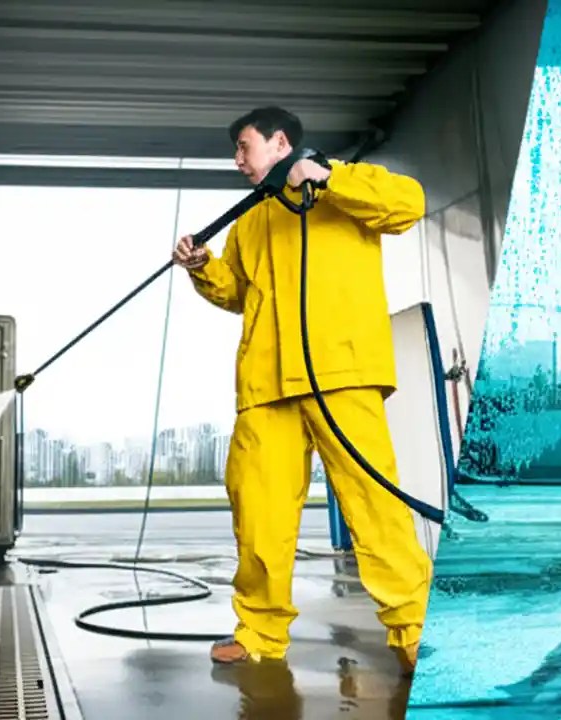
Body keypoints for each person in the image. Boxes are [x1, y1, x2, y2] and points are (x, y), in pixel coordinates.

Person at [171, 105, 431, 675]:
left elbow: (409, 203)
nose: (237, 161)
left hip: (340, 373)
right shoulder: (252, 219)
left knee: (374, 506)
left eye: (243, 147)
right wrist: (201, 266)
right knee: (257, 510)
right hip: (267, 383)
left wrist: (331, 179)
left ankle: (414, 628)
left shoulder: (344, 185)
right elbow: (235, 291)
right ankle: (259, 631)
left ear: (279, 141)